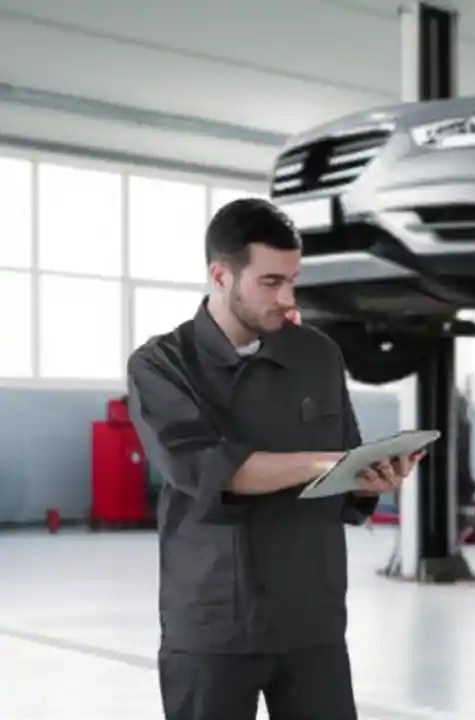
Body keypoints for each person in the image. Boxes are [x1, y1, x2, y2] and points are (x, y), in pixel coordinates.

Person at [126, 197, 423, 719]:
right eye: (270, 283)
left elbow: (343, 460)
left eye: (292, 280)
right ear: (221, 276)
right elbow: (209, 470)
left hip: (312, 621)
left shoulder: (316, 354)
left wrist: (369, 477)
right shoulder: (161, 365)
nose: (287, 298)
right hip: (214, 625)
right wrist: (326, 464)